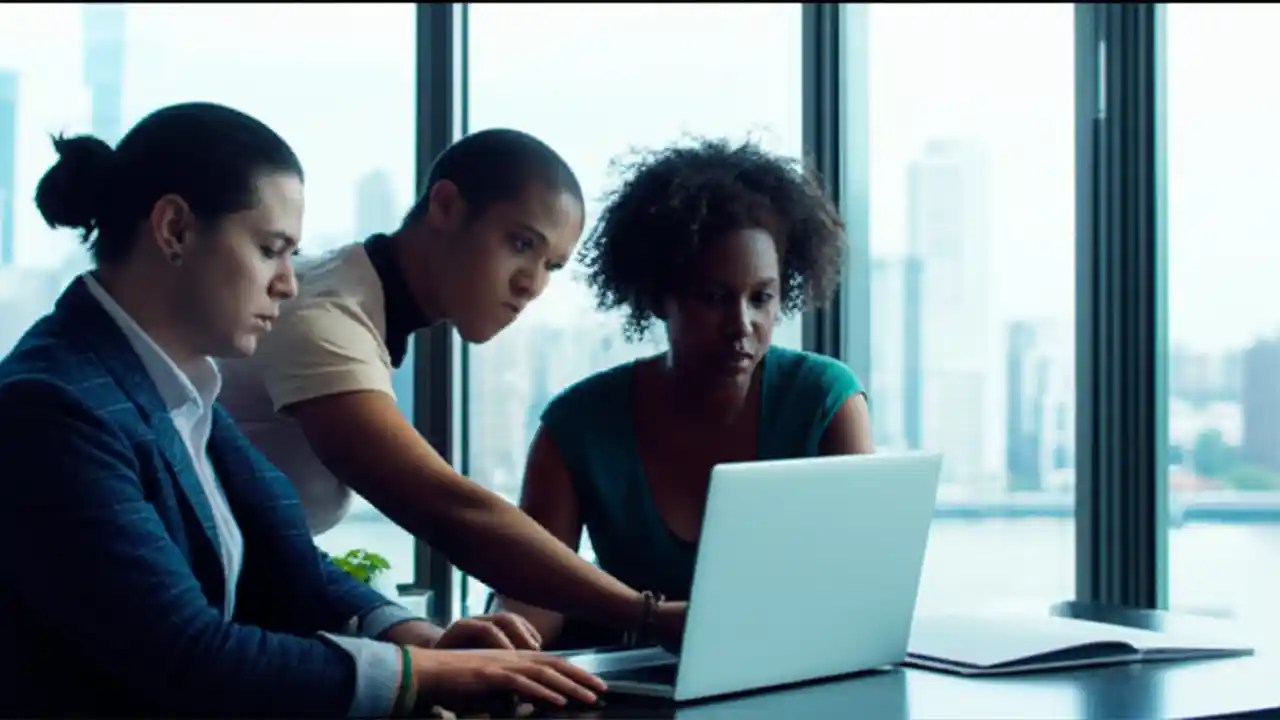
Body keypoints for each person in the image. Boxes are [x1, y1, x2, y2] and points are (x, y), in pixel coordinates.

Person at [0, 102, 605, 717]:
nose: (287, 283)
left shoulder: (183, 390)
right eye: (271, 249)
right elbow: (188, 657)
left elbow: (288, 554)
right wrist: (424, 674)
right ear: (175, 229)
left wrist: (416, 637)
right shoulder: (55, 408)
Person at [215, 127, 686, 651]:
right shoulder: (326, 318)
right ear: (445, 206)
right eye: (521, 243)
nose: (532, 284)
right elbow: (446, 509)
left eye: (551, 266)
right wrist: (647, 615)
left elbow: (281, 543)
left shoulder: (356, 303)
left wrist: (410, 633)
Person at [494, 137, 875, 648]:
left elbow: (858, 589)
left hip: (799, 676)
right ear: (658, 297)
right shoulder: (578, 425)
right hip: (632, 685)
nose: (742, 325)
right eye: (714, 298)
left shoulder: (824, 402)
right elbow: (534, 597)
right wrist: (499, 643)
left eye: (761, 298)